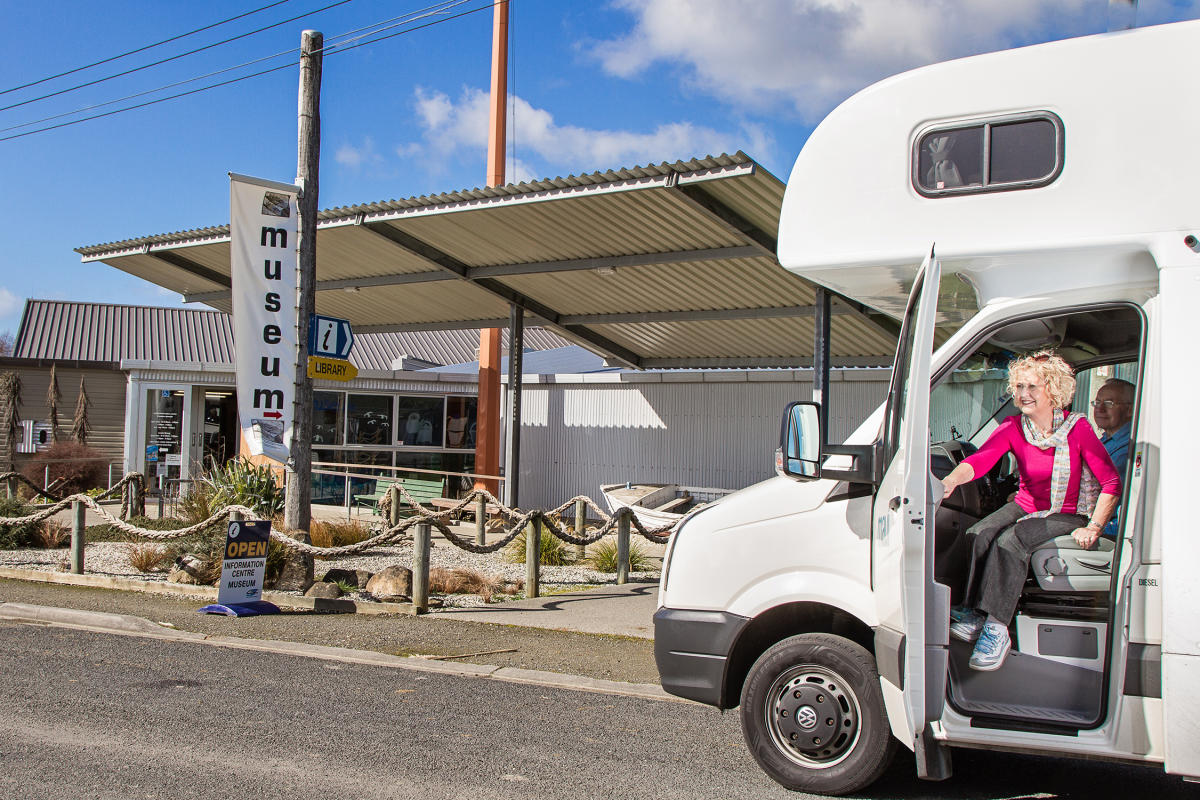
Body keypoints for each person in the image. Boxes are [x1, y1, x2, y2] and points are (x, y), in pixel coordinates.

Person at [940, 351, 1121, 671]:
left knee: (1011, 542)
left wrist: (1093, 526)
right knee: (977, 534)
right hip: (1028, 504)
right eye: (1019, 386)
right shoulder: (1014, 427)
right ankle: (974, 614)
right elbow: (981, 461)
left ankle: (996, 629)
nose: (1023, 394)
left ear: (1052, 390)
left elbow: (1110, 482)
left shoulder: (1077, 428)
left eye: (1032, 387)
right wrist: (951, 481)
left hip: (1069, 511)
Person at [1091, 378, 1134, 538]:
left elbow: (1094, 490)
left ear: (1129, 410)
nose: (1100, 409)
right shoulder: (1106, 440)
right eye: (1097, 402)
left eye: (1109, 403)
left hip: (1108, 531)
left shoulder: (1128, 447)